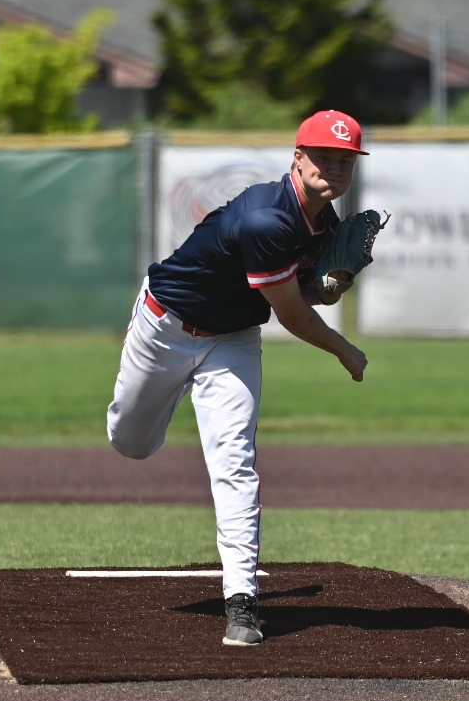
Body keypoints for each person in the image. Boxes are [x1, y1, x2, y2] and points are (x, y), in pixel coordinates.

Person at [106, 109, 371, 646]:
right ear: (298, 158)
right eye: (324, 157)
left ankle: (241, 603)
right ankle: (155, 381)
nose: (334, 168)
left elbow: (302, 293)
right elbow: (293, 316)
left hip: (232, 339)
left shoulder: (323, 221)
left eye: (345, 160)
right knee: (131, 443)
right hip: (166, 327)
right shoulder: (266, 220)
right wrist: (345, 350)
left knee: (235, 464)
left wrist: (327, 285)